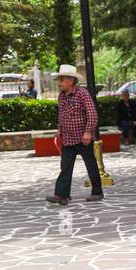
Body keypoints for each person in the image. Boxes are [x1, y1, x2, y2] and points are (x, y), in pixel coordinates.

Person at [46, 64, 103, 205]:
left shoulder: (82, 93)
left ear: (71, 81)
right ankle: (62, 195)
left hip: (83, 138)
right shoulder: (61, 96)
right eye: (59, 80)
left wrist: (88, 131)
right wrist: (59, 129)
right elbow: (61, 115)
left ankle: (97, 192)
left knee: (91, 165)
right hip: (68, 139)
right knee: (65, 166)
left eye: (62, 80)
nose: (59, 83)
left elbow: (92, 114)